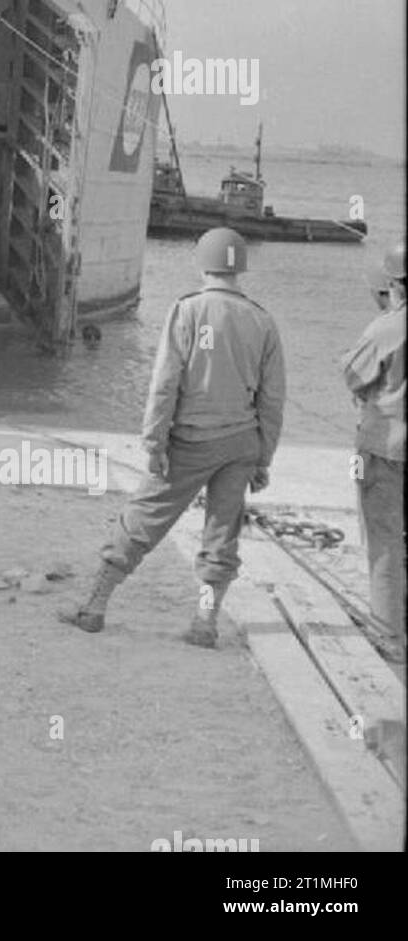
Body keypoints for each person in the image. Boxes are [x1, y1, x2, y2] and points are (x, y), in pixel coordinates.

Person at [61, 228, 286, 647]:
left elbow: (165, 383)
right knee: (222, 536)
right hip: (240, 444)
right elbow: (273, 400)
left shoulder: (187, 311)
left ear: (202, 264)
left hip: (190, 440)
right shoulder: (262, 320)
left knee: (142, 520)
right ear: (241, 268)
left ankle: (94, 607)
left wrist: (154, 443)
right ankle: (205, 620)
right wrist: (263, 458)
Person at [339, 240, 406, 662]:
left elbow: (353, 375)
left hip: (385, 448)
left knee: (384, 539)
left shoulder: (388, 328)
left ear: (395, 284)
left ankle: (387, 635)